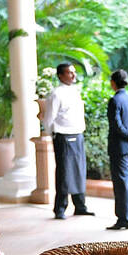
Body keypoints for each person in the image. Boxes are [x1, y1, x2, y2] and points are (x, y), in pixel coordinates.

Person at [44, 62, 93, 219]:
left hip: (77, 134)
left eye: (74, 72)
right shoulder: (56, 94)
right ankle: (60, 208)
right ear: (60, 75)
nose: (73, 75)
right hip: (63, 136)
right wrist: (54, 134)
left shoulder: (75, 91)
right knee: (64, 173)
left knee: (79, 171)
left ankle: (80, 206)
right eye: (69, 73)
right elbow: (49, 118)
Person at [106, 68, 128, 231]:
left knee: (121, 183)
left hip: (120, 148)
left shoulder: (115, 100)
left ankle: (124, 219)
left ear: (113, 83)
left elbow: (117, 126)